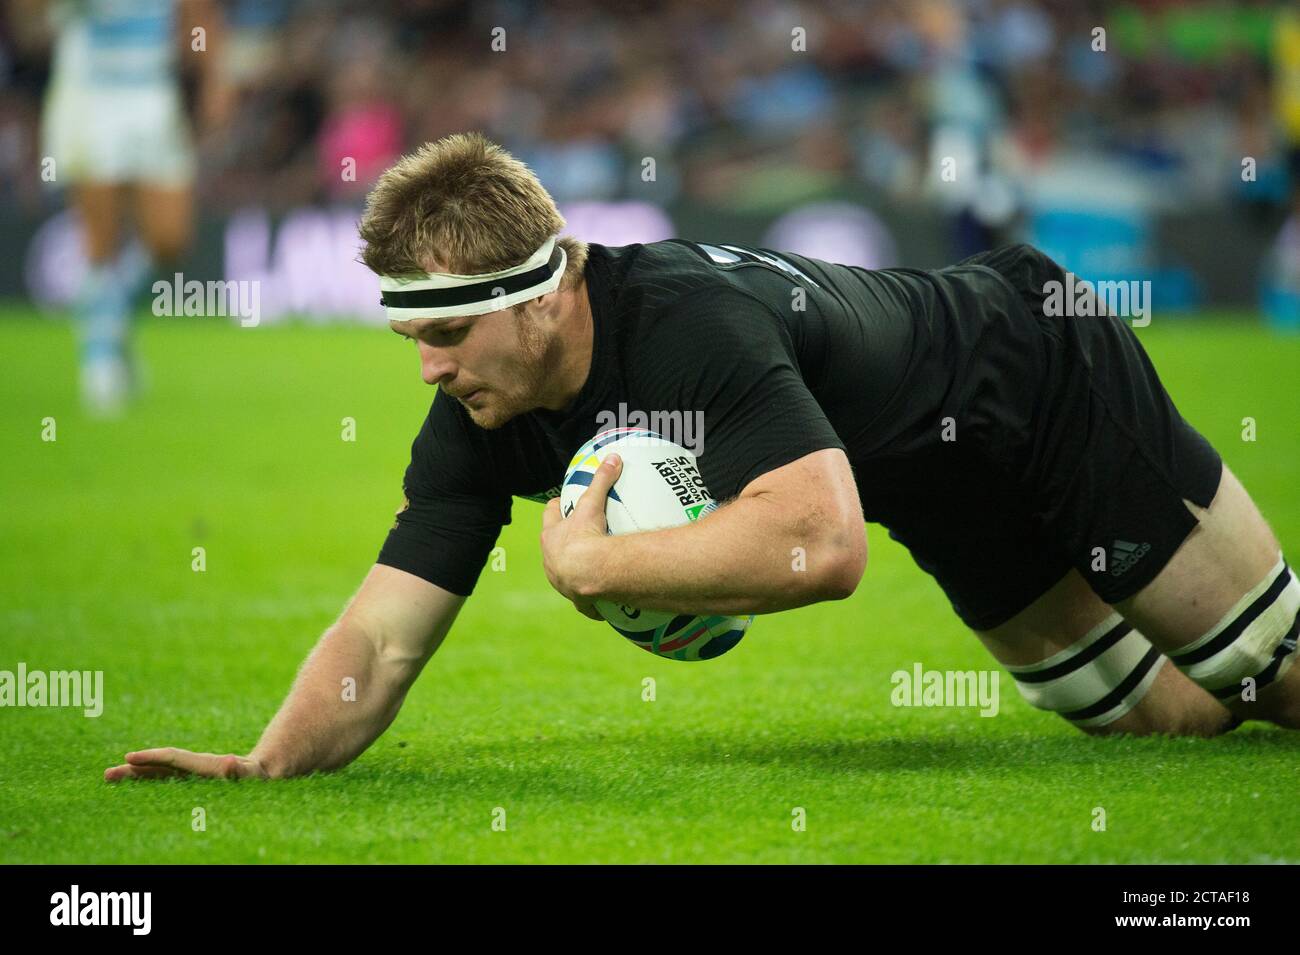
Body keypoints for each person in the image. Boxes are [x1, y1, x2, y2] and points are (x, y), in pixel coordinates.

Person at [105, 132, 1298, 783]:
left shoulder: (678, 324)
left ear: (538, 298)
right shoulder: (478, 407)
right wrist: (263, 764)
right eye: (411, 336)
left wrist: (593, 568)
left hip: (1037, 372)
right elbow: (381, 632)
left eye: (447, 331)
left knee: (1260, 666)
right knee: (1165, 723)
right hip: (933, 479)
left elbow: (823, 546)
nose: (427, 367)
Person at [39, 0, 230, 414]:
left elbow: (198, 17)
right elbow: (33, 19)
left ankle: (112, 316)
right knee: (101, 238)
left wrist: (214, 78)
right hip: (89, 94)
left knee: (170, 239)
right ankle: (99, 356)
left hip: (151, 97)